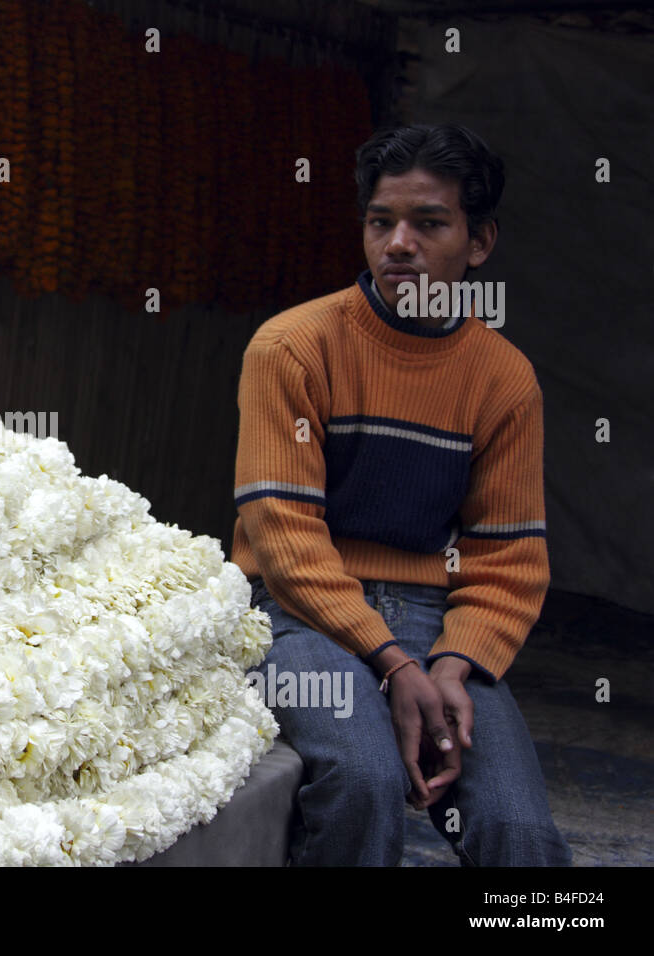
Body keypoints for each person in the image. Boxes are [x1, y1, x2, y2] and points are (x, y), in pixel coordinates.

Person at [231, 124, 571, 866]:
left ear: (478, 244)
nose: (398, 244)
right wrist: (392, 664)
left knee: (519, 832)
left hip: (431, 624)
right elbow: (284, 539)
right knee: (362, 780)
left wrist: (453, 665)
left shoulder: (503, 379)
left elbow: (509, 558)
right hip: (295, 619)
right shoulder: (292, 347)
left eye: (429, 224)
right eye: (381, 222)